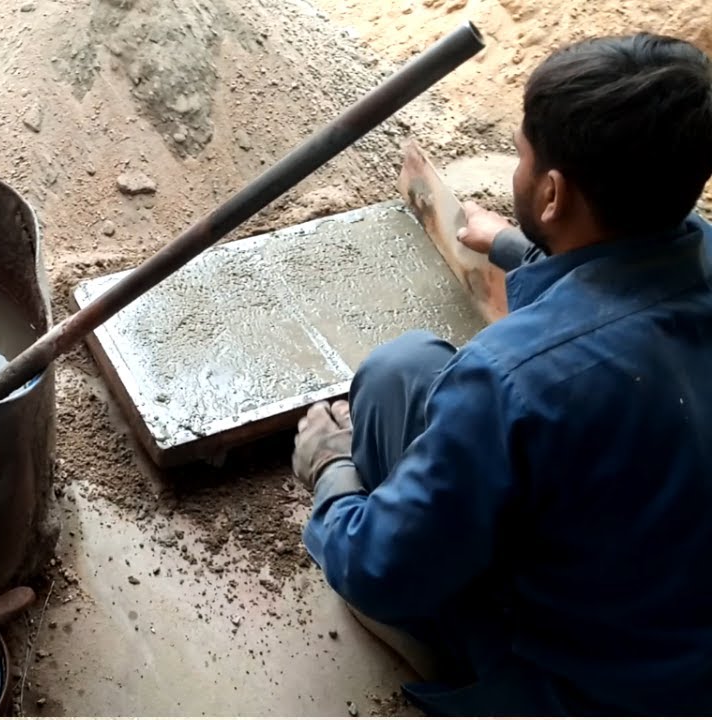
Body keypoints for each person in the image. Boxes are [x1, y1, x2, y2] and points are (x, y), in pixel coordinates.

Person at [290, 33, 712, 715]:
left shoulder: (511, 377)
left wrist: (333, 471)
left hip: (586, 684)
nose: (517, 168)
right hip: (684, 633)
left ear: (552, 193)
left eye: (521, 155)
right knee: (407, 370)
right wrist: (519, 247)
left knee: (392, 429)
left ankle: (460, 652)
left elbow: (380, 568)